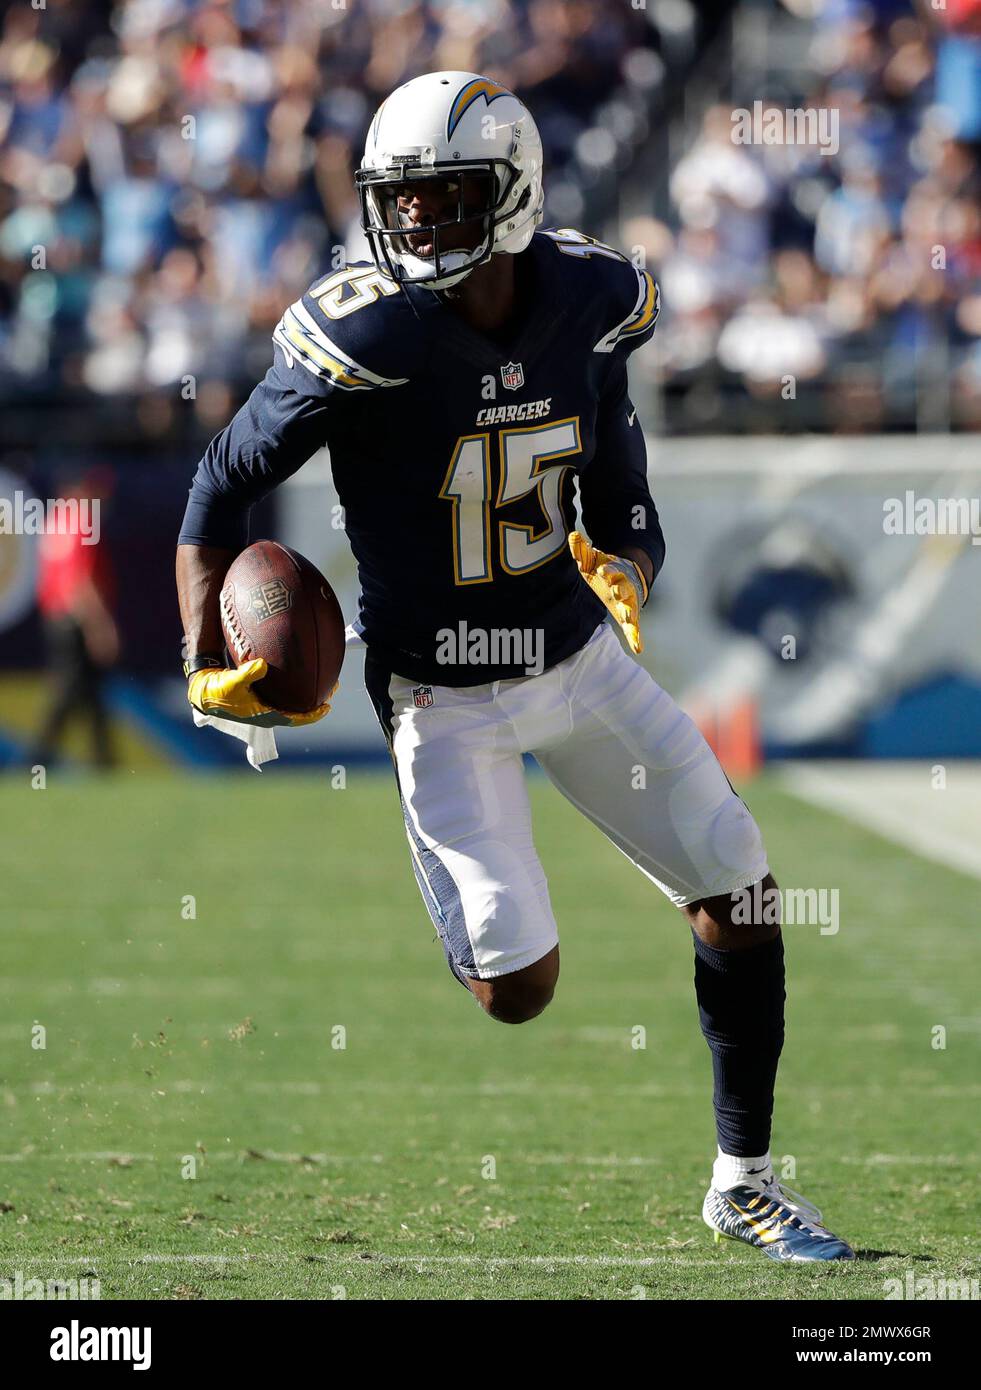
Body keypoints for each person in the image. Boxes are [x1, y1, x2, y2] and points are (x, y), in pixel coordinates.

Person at [176, 71, 853, 1262]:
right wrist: (201, 656)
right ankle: (461, 893)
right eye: (402, 202)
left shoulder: (591, 295)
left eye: (444, 198)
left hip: (578, 658)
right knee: (519, 987)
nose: (417, 226)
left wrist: (629, 561)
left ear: (513, 191)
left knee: (742, 888)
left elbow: (615, 458)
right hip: (440, 695)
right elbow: (222, 481)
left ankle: (743, 1178)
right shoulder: (366, 329)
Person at [33, 474, 119, 769]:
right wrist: (100, 628)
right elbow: (82, 582)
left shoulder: (57, 517)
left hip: (57, 618)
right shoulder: (83, 520)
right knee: (68, 694)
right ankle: (36, 763)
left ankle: (103, 763)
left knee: (89, 694)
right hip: (75, 619)